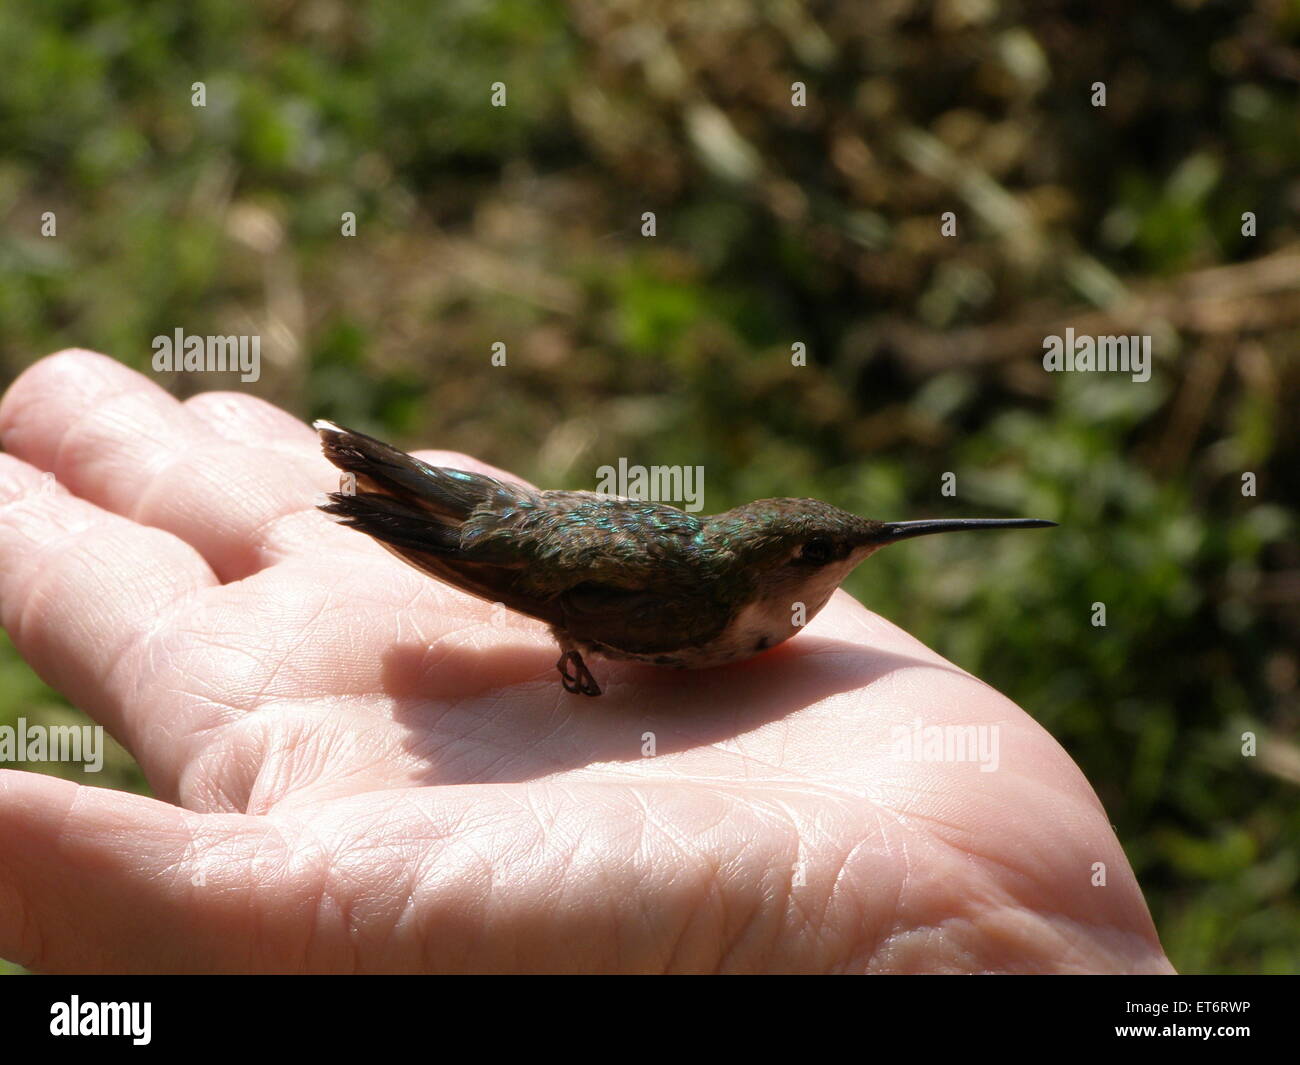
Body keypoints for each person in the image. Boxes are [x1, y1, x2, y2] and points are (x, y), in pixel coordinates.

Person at [0, 350, 1173, 973]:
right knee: (449, 514)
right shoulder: (702, 614)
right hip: (546, 558)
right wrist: (554, 619)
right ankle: (392, 488)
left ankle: (395, 485)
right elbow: (577, 587)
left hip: (563, 534)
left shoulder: (753, 604)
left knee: (446, 504)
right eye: (826, 550)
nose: (848, 560)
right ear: (777, 567)